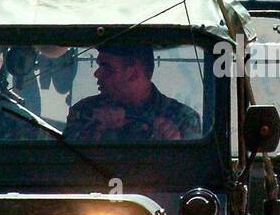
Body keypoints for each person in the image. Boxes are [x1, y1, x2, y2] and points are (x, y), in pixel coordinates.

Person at [64, 44, 202, 142]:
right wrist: (99, 129)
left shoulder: (182, 118)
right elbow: (67, 163)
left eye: (107, 68)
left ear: (132, 73)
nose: (97, 74)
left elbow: (190, 172)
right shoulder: (84, 111)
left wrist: (173, 144)